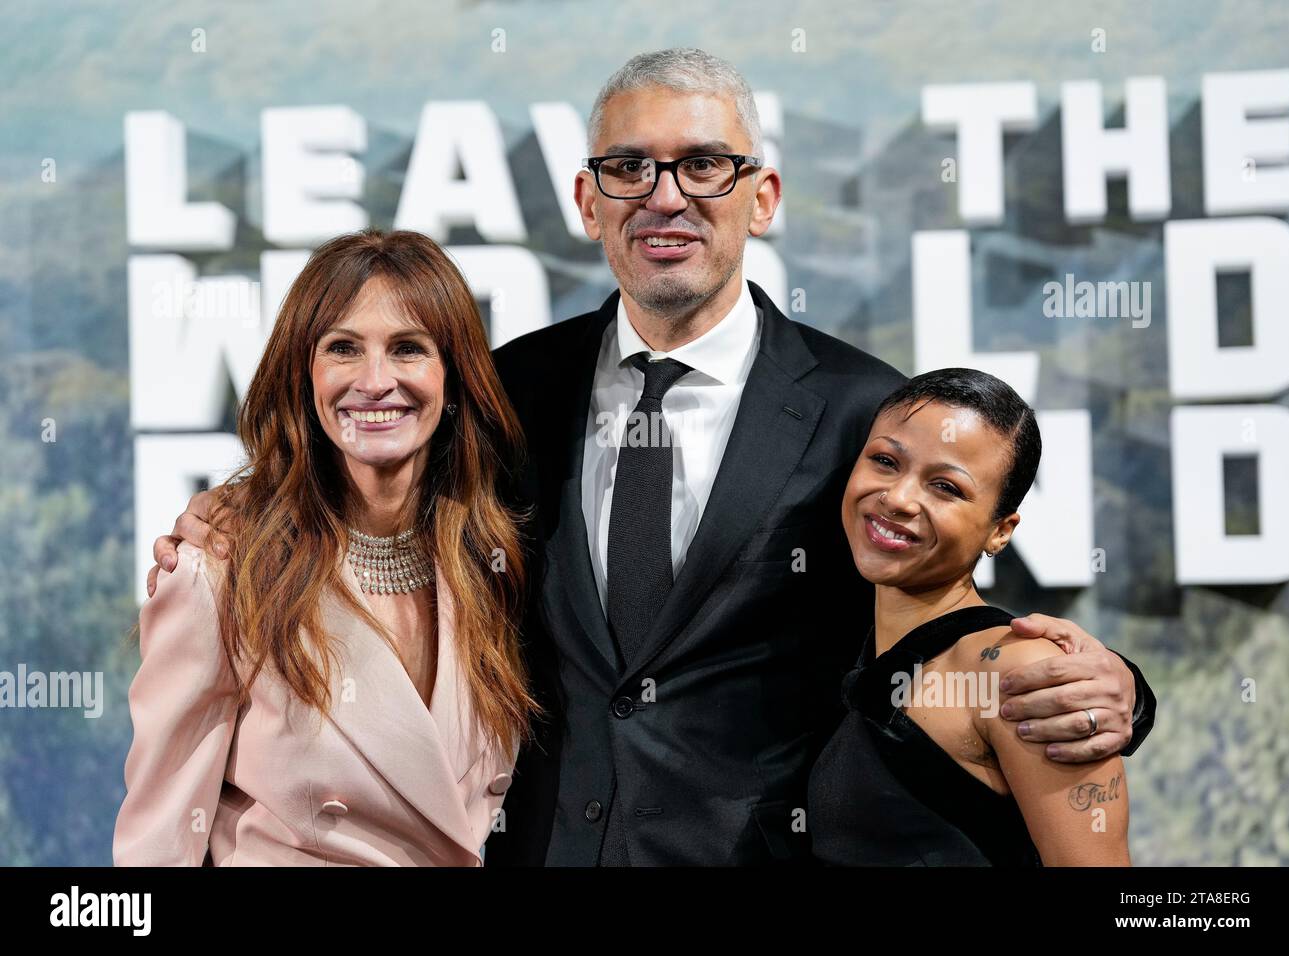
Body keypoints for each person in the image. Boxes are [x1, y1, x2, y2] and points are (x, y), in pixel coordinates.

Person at [148, 49, 1155, 867]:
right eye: (629, 167)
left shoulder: (861, 410)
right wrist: (238, 509)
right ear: (589, 204)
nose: (663, 196)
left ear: (760, 197)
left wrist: (1116, 684)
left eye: (702, 164)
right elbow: (368, 472)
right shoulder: (510, 392)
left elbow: (965, 616)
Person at [115, 229, 537, 866]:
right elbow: (157, 843)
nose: (374, 381)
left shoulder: (494, 563)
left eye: (408, 349)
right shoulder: (220, 566)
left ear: (451, 379)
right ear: (303, 375)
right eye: (343, 348)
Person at [809, 368, 1129, 866]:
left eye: (945, 487)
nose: (897, 498)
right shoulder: (854, 649)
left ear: (1000, 531)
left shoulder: (1019, 671)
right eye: (885, 461)